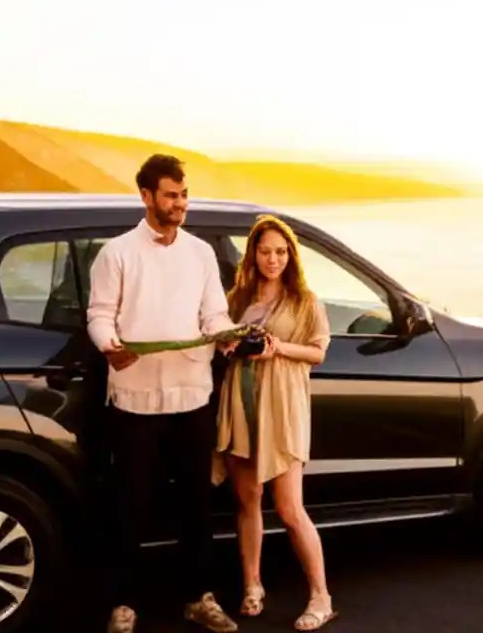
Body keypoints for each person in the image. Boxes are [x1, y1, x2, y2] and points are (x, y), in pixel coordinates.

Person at [86, 154, 240, 633]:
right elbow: (99, 315)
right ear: (147, 196)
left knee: (197, 502)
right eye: (171, 195)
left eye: (184, 194)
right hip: (134, 399)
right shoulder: (116, 254)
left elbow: (213, 314)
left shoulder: (201, 253)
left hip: (193, 396)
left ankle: (198, 598)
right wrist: (108, 346)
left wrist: (227, 336)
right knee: (131, 504)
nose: (180, 203)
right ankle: (123, 605)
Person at [213, 214, 338, 631]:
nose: (273, 259)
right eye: (265, 252)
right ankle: (253, 585)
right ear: (253, 254)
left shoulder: (305, 301)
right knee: (248, 500)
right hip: (241, 402)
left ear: (291, 255)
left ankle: (321, 596)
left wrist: (277, 347)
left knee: (289, 508)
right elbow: (219, 341)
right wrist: (229, 345)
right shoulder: (237, 298)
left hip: (282, 408)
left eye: (281, 252)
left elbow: (318, 353)